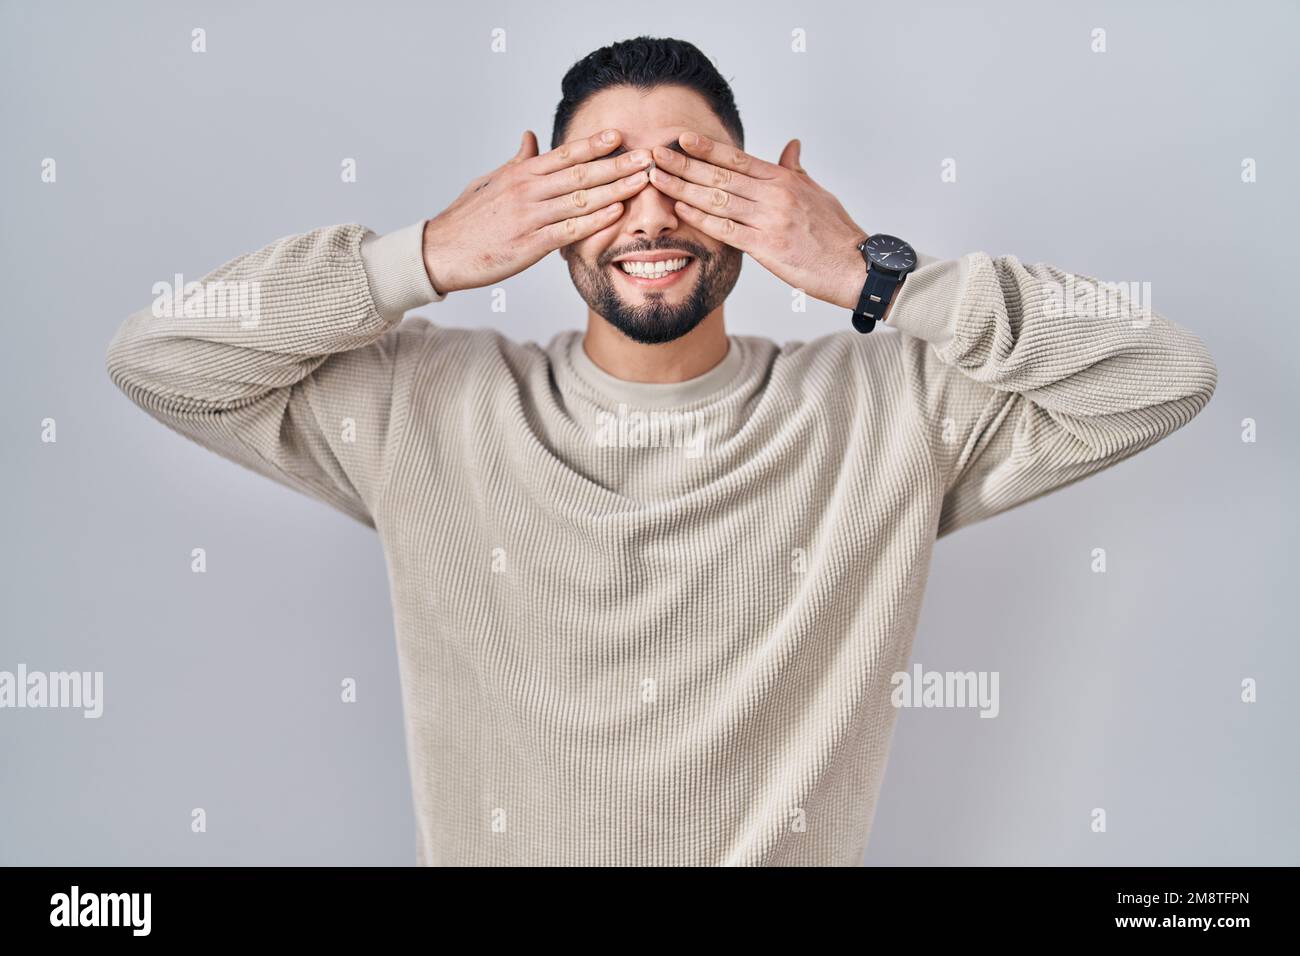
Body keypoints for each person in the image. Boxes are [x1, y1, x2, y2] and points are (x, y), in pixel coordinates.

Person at [106, 36, 1218, 866]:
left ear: (768, 188)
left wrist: (872, 274)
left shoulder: (895, 411)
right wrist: (428, 255)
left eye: (691, 172)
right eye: (598, 175)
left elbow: (1160, 373)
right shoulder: (425, 404)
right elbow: (161, 356)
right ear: (534, 193)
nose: (647, 214)